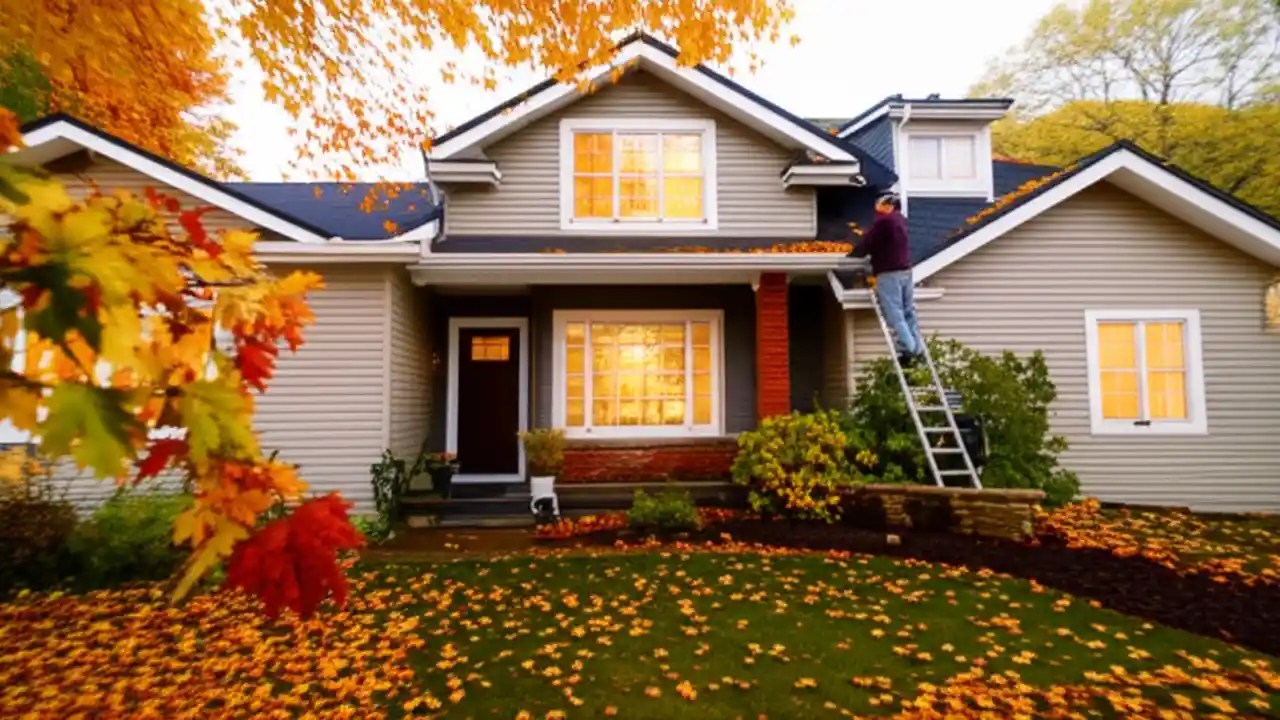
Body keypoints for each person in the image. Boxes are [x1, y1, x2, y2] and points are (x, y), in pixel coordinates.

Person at [853, 192, 924, 367]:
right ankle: (919, 347)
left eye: (879, 205)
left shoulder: (884, 222)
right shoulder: (900, 220)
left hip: (889, 273)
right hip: (905, 271)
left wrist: (853, 254)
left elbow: (869, 243)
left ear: (886, 205)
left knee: (895, 313)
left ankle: (909, 347)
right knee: (908, 311)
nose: (876, 209)